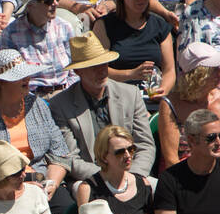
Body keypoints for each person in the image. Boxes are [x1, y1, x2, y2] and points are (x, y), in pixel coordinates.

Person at [0, 53, 72, 214]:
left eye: (26, 73)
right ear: (0, 82)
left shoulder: (37, 105)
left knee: (66, 210)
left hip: (41, 178)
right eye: (18, 76)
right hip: (1, 188)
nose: (26, 79)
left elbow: (60, 152)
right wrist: (16, 183)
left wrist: (52, 184)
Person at [51, 33, 156, 186]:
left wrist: (133, 176)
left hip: (133, 173)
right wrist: (107, 177)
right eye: (94, 67)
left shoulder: (130, 94)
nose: (101, 71)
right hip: (91, 180)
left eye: (104, 64)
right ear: (77, 71)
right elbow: (71, 158)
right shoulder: (61, 104)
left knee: (160, 191)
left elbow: (145, 144)